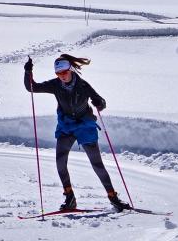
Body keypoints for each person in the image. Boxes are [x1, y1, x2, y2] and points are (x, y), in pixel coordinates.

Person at [24, 53, 126, 212]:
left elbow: (101, 102)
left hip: (85, 126)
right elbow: (32, 87)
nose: (62, 76)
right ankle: (69, 197)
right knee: (60, 161)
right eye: (58, 73)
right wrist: (28, 72)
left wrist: (99, 103)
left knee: (97, 164)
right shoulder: (55, 85)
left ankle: (113, 197)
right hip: (66, 126)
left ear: (70, 69)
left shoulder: (83, 86)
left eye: (64, 72)